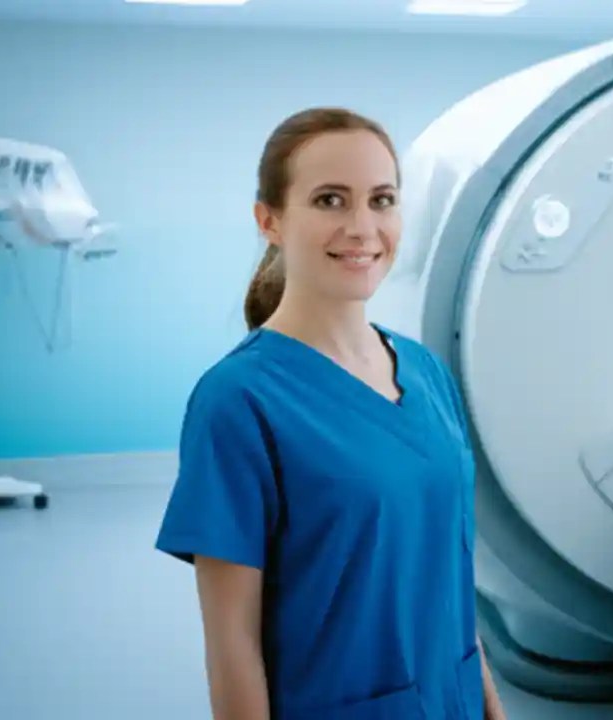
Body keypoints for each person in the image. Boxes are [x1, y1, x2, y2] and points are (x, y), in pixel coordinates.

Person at [155, 107, 507, 720]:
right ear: (270, 220)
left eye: (382, 199)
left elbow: (450, 580)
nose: (362, 226)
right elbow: (232, 646)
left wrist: (492, 708)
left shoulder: (426, 373)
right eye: (330, 200)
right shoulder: (239, 400)